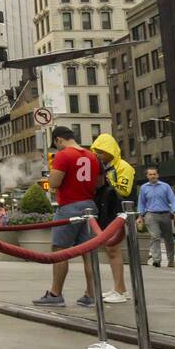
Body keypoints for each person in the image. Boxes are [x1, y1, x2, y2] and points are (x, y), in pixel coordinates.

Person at [33, 126, 101, 308]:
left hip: (69, 207)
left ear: (58, 140)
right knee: (88, 252)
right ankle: (92, 294)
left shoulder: (63, 155)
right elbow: (99, 182)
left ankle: (55, 293)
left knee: (60, 250)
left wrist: (53, 182)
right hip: (89, 206)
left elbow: (54, 182)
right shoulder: (92, 156)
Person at [88, 133, 132, 303]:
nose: (98, 155)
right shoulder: (103, 167)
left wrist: (107, 180)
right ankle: (119, 288)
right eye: (96, 151)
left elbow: (124, 190)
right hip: (106, 210)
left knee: (113, 250)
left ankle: (120, 290)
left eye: (101, 151)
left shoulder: (123, 166)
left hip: (117, 210)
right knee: (110, 250)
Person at [137, 167, 175, 267]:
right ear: (147, 176)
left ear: (158, 175)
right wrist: (140, 216)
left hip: (165, 214)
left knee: (168, 238)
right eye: (150, 174)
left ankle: (171, 260)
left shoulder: (165, 186)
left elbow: (173, 200)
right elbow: (141, 203)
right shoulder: (144, 188)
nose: (152, 176)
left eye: (154, 174)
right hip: (150, 215)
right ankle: (156, 260)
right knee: (155, 236)